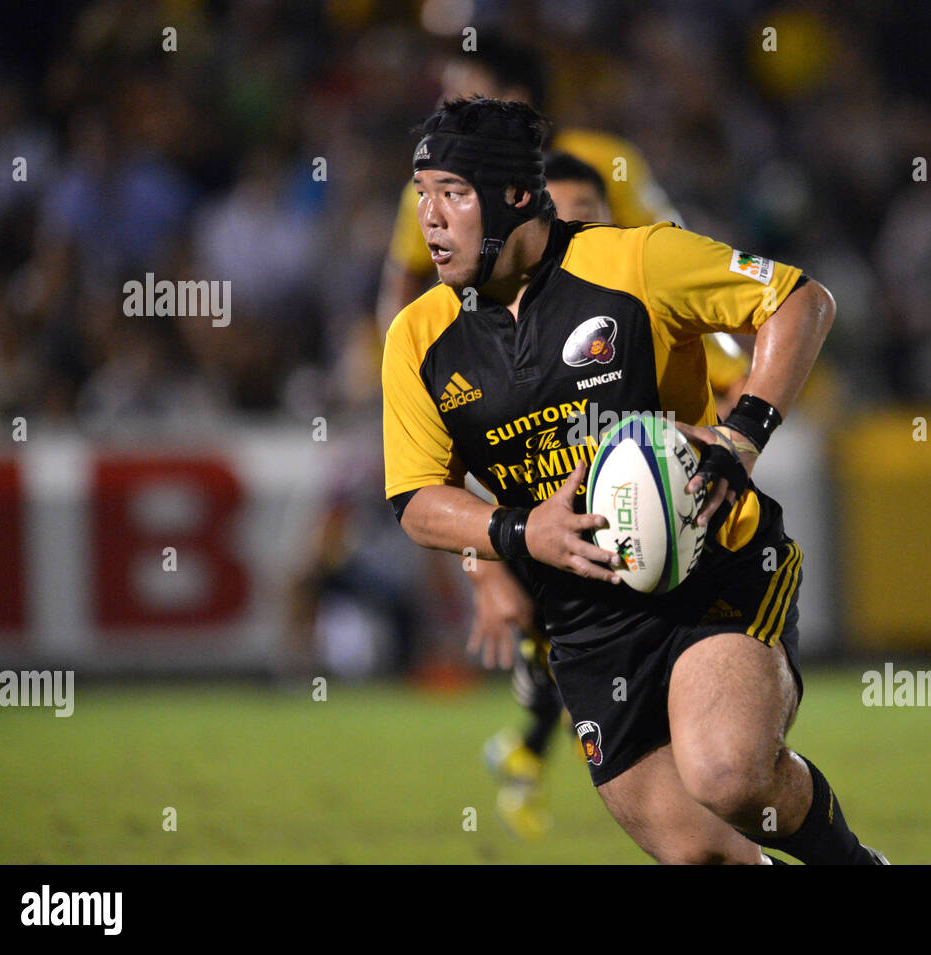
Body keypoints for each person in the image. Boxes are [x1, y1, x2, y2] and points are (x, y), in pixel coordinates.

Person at [383, 96, 885, 864]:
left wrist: (741, 435)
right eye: (422, 196)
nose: (430, 219)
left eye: (452, 192)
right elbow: (416, 501)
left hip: (706, 572)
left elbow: (799, 299)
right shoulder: (417, 337)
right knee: (703, 855)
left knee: (729, 774)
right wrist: (516, 535)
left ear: (515, 195)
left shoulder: (634, 260)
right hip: (584, 622)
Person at [474, 151, 751, 840]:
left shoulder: (639, 297)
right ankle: (534, 740)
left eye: (585, 215)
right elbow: (466, 462)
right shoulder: (499, 331)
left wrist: (722, 445)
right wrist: (480, 567)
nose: (569, 227)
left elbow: (738, 374)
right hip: (555, 543)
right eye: (555, 215)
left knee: (717, 762)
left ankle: (531, 742)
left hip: (664, 530)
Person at [376, 34, 679, 338]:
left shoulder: (606, 161)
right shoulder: (429, 190)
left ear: (514, 101)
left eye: (460, 94)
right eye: (444, 94)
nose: (444, 107)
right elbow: (402, 289)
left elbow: (669, 249)